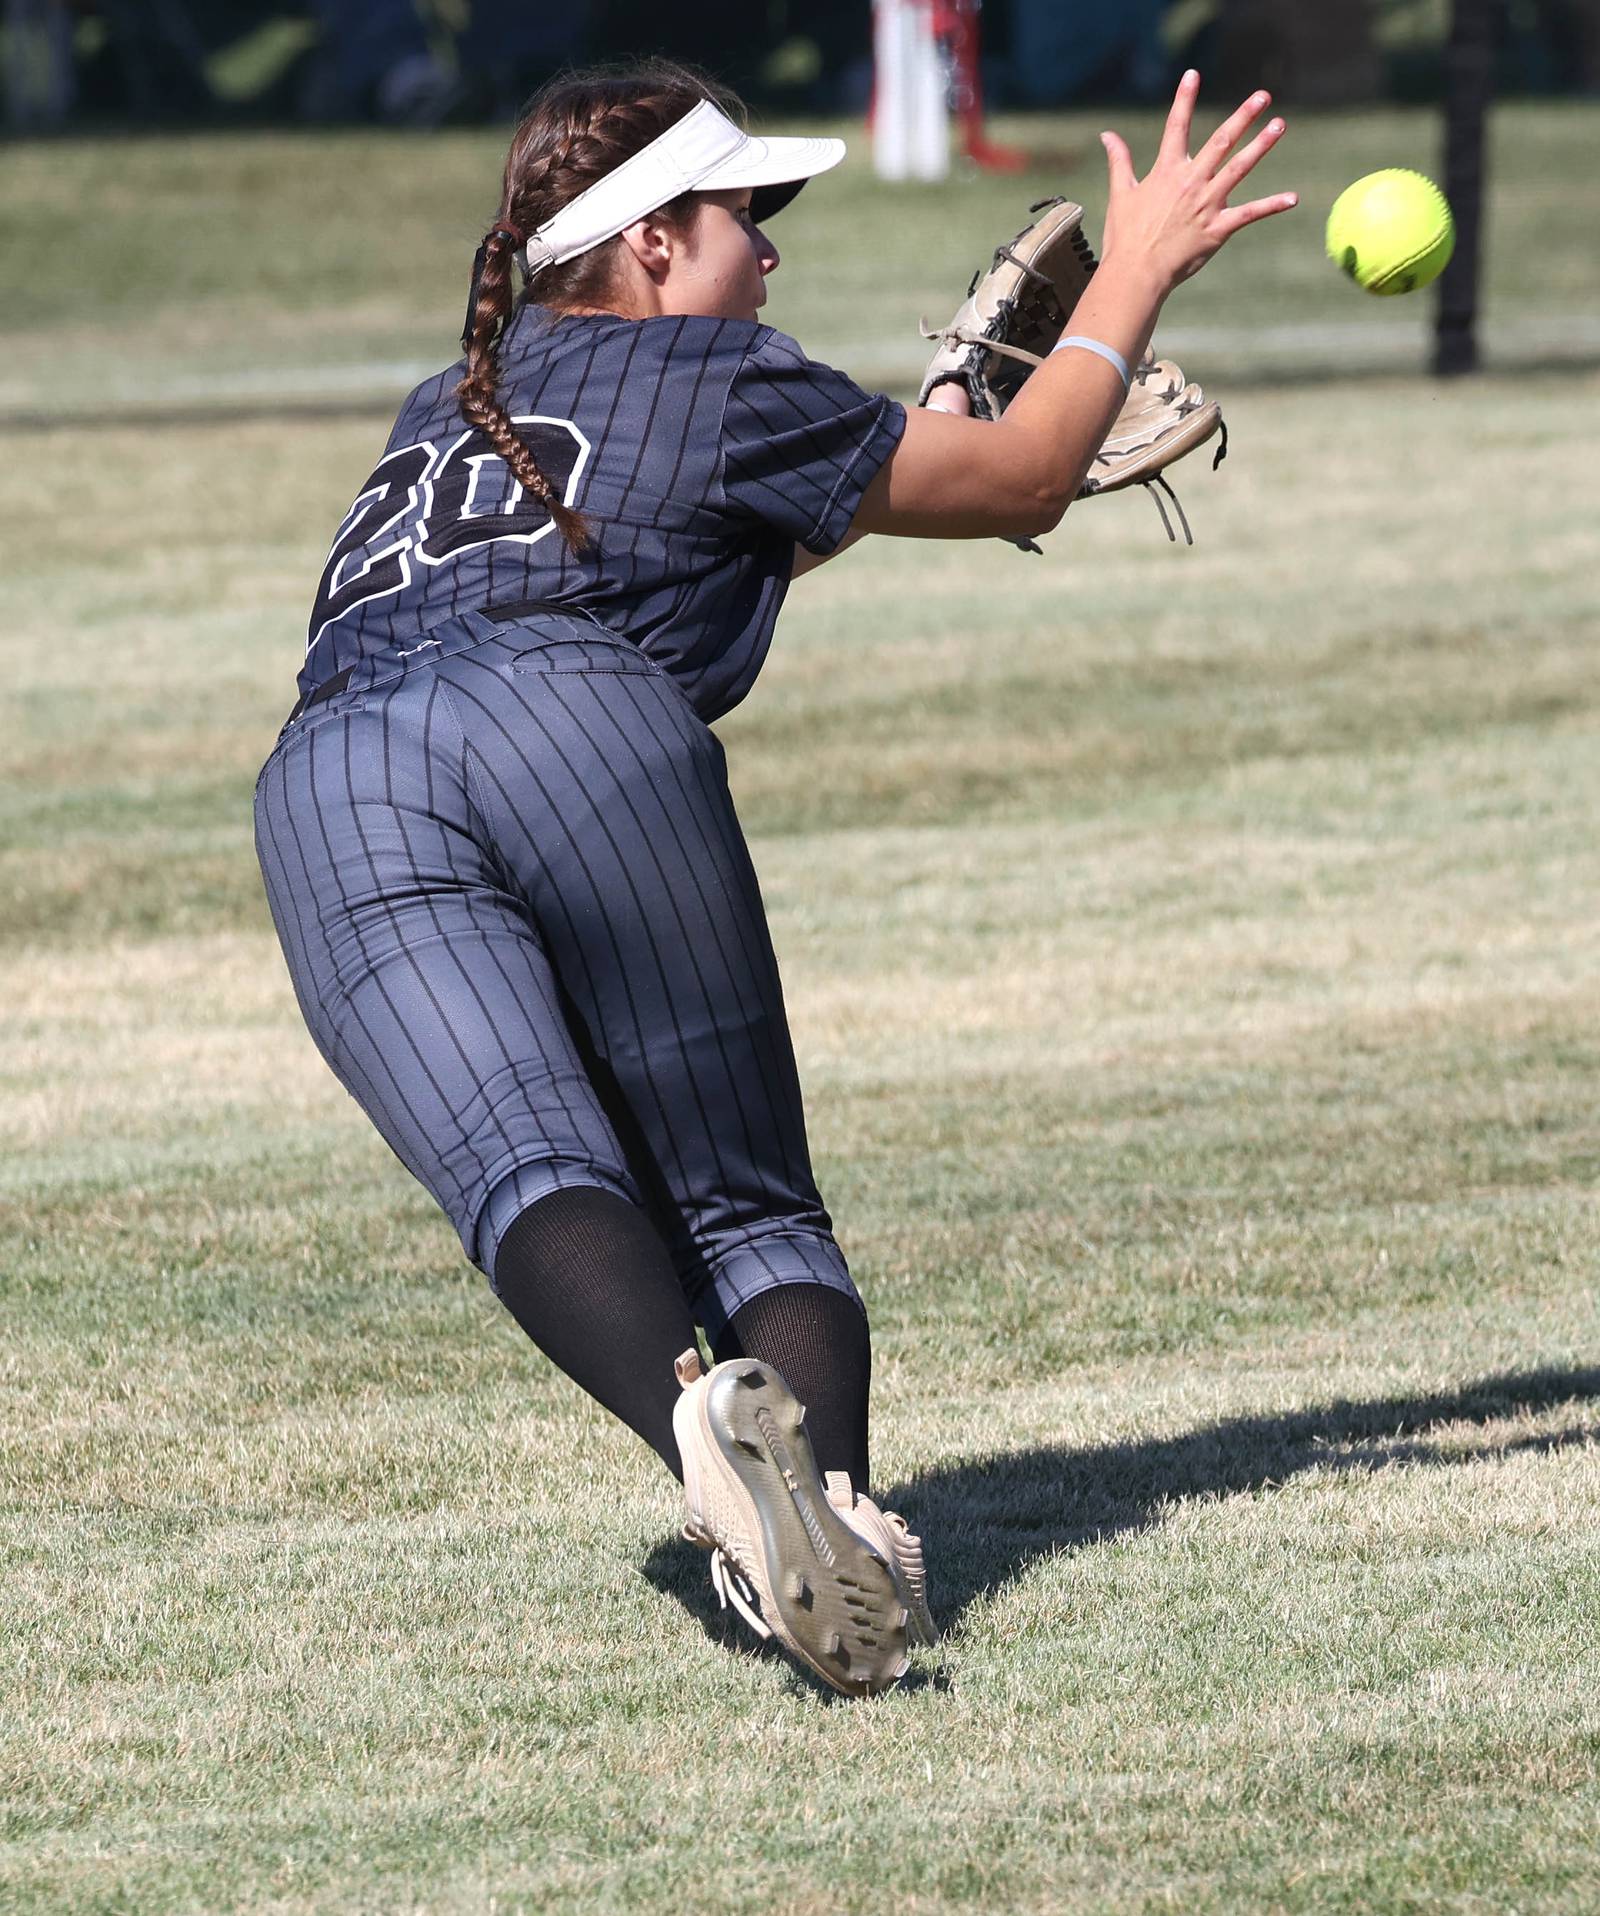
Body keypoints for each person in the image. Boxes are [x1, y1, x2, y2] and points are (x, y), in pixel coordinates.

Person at [254, 58, 1294, 1696]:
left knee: (530, 1173)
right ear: (654, 242)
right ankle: (835, 1512)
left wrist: (925, 428)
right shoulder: (729, 370)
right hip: (574, 724)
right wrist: (1144, 263)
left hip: (326, 783)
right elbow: (1022, 479)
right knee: (745, 1210)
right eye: (750, 216)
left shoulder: (453, 397)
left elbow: (730, 523)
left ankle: (706, 1446)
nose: (773, 254)